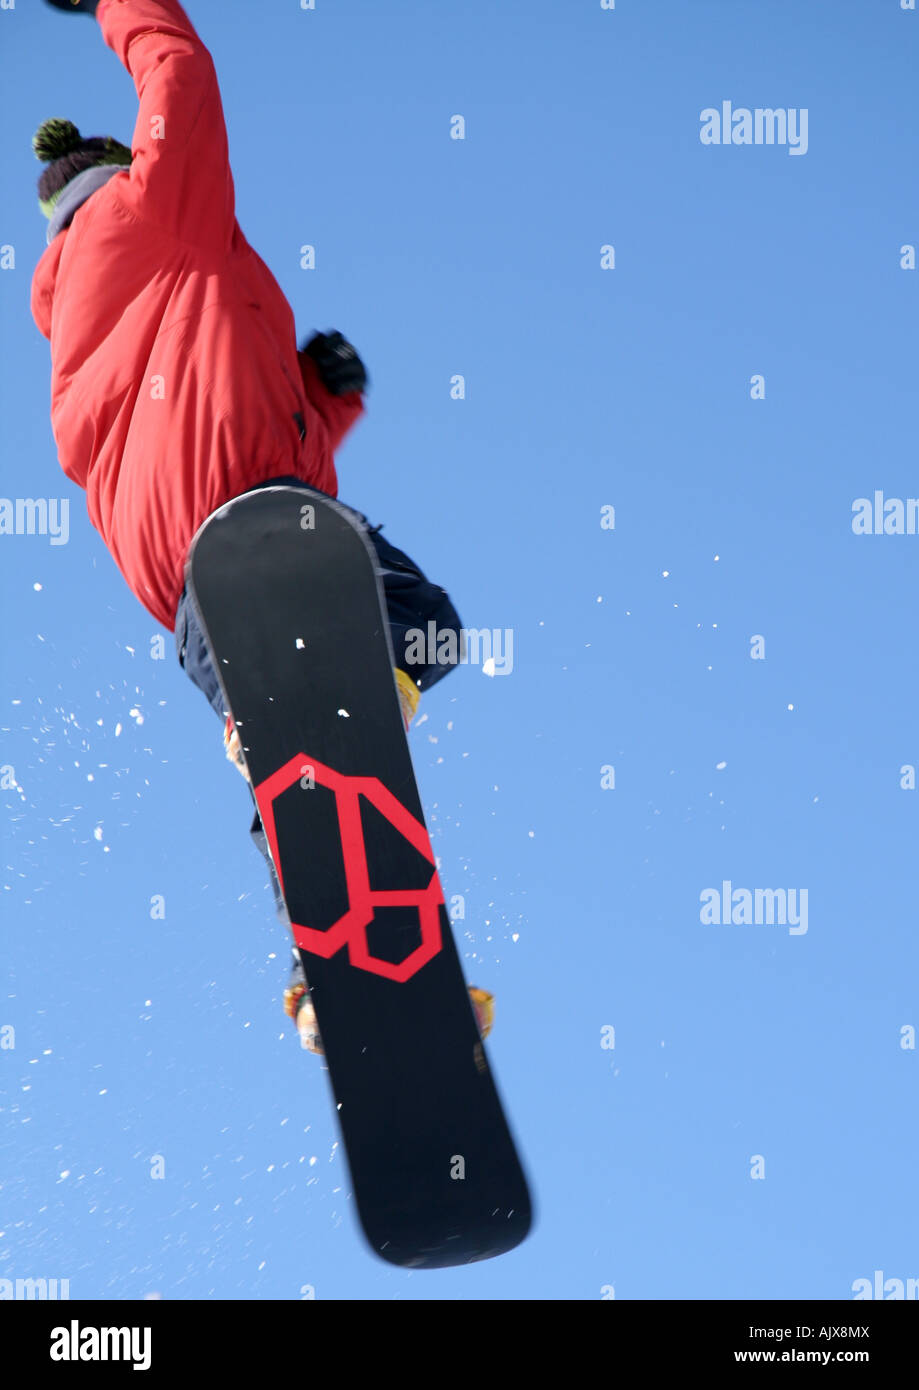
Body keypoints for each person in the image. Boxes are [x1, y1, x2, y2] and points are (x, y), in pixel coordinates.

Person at [32, 0, 494, 1052]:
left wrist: (322, 404)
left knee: (305, 768)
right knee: (424, 628)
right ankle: (350, 707)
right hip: (262, 529)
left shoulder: (78, 357)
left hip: (210, 591)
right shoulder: (153, 212)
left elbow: (203, 429)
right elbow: (180, 75)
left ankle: (333, 973)